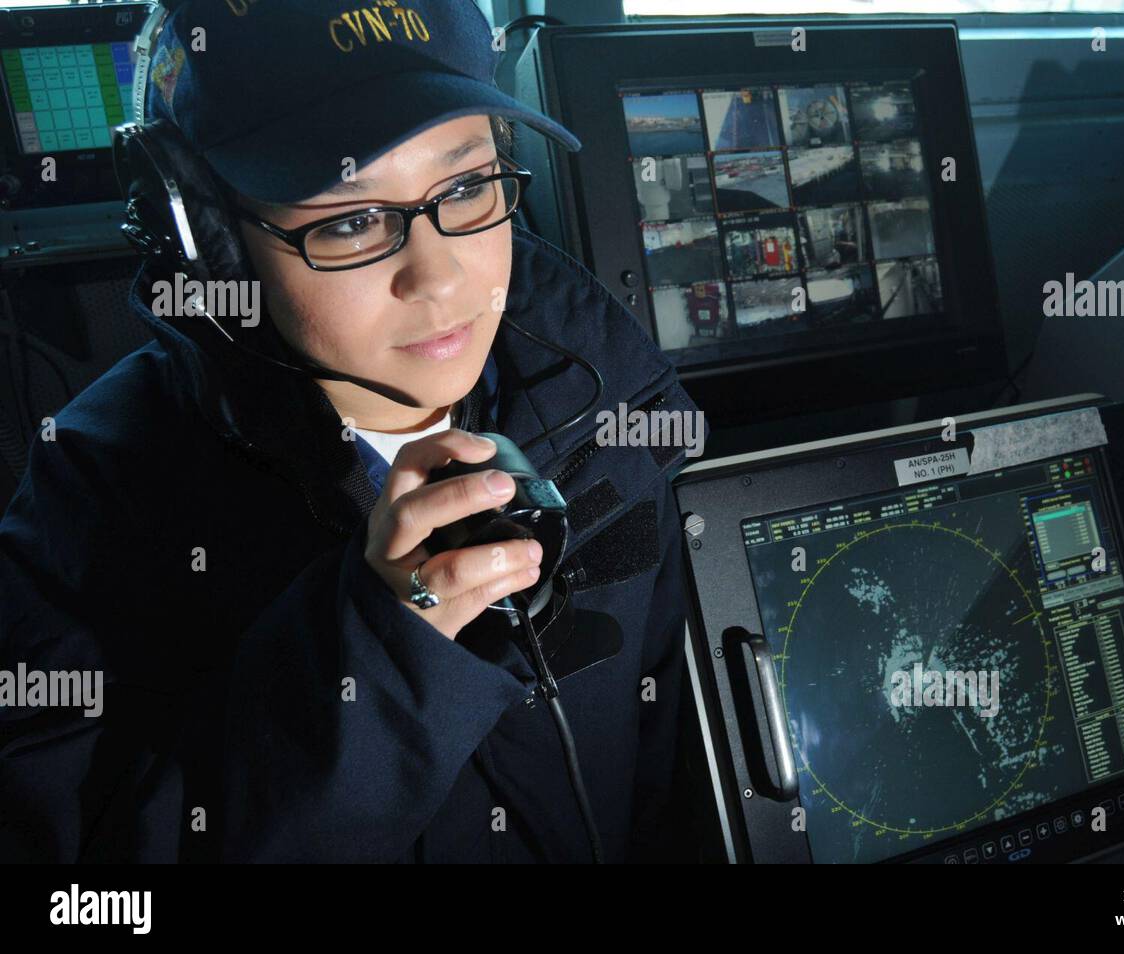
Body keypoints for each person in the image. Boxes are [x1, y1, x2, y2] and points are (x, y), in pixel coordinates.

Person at [0, 0, 706, 863]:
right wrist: (380, 659)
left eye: (466, 186)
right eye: (350, 220)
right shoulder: (95, 500)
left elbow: (689, 760)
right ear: (207, 238)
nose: (440, 276)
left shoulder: (605, 391)